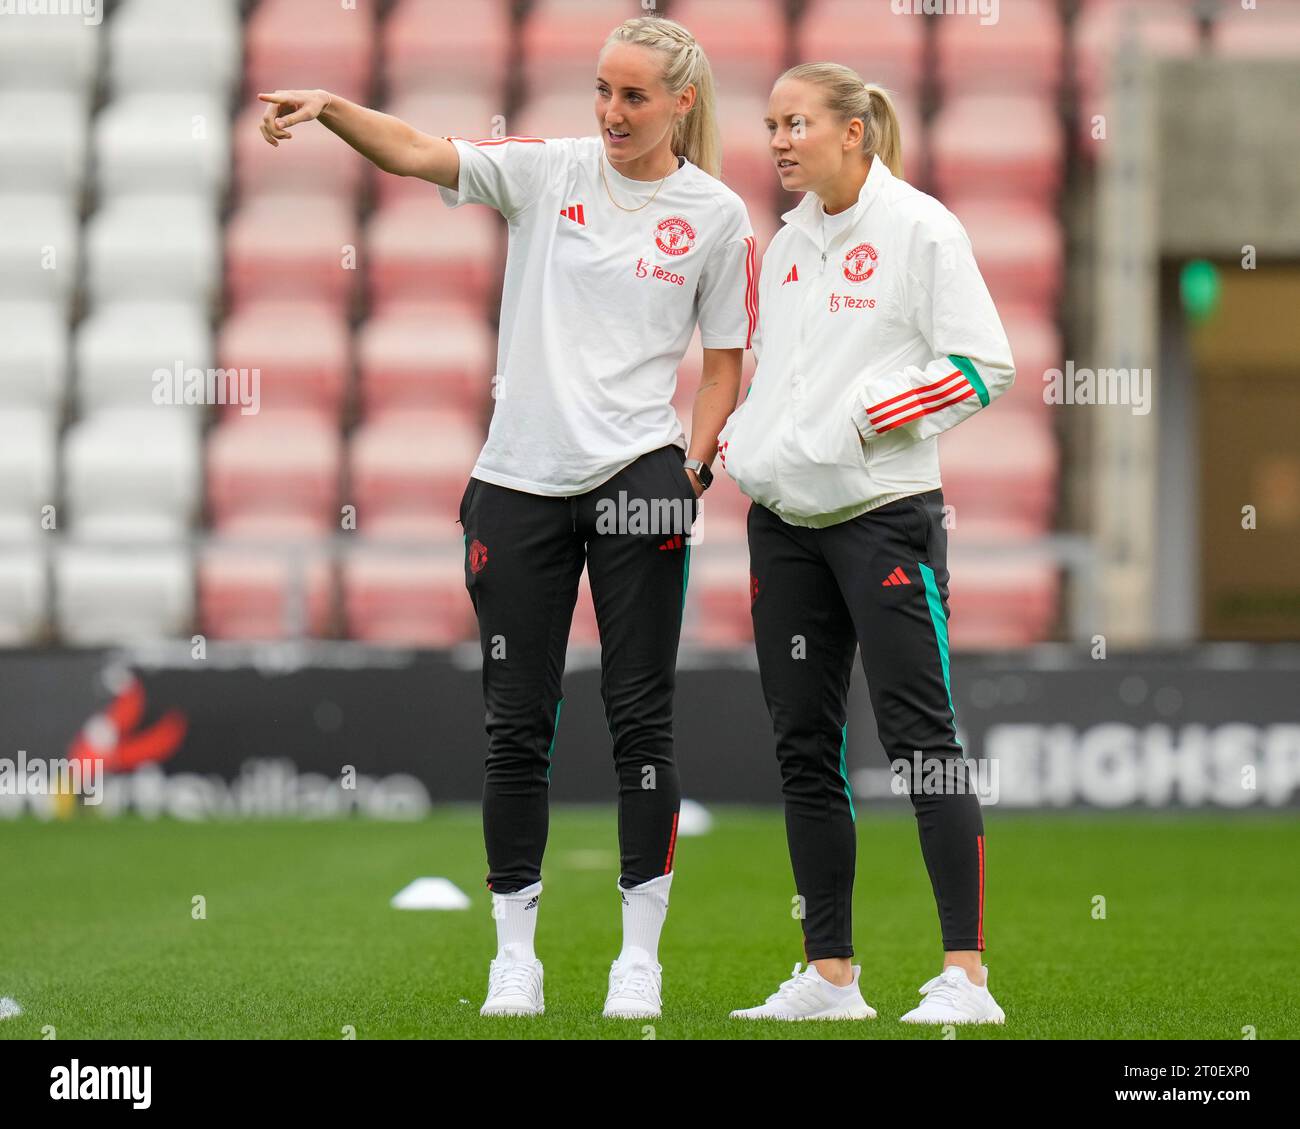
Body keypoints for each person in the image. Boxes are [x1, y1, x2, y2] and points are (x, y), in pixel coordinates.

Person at [257, 16, 757, 1020]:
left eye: (632, 96)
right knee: (516, 724)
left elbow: (723, 363)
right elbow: (417, 150)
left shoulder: (716, 215)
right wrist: (334, 110)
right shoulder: (547, 171)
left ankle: (637, 957)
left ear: (680, 103)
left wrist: (695, 464)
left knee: (640, 717)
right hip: (516, 483)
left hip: (641, 476)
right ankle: (514, 956)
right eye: (603, 90)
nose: (611, 112)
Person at [719, 63, 1014, 1024]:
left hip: (884, 517)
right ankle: (830, 973)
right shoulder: (791, 241)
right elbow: (778, 374)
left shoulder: (923, 229)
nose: (779, 140)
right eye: (770, 124)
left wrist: (861, 424)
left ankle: (966, 976)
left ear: (855, 132)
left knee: (922, 744)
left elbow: (982, 364)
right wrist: (751, 441)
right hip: (786, 527)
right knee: (804, 746)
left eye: (796, 122)